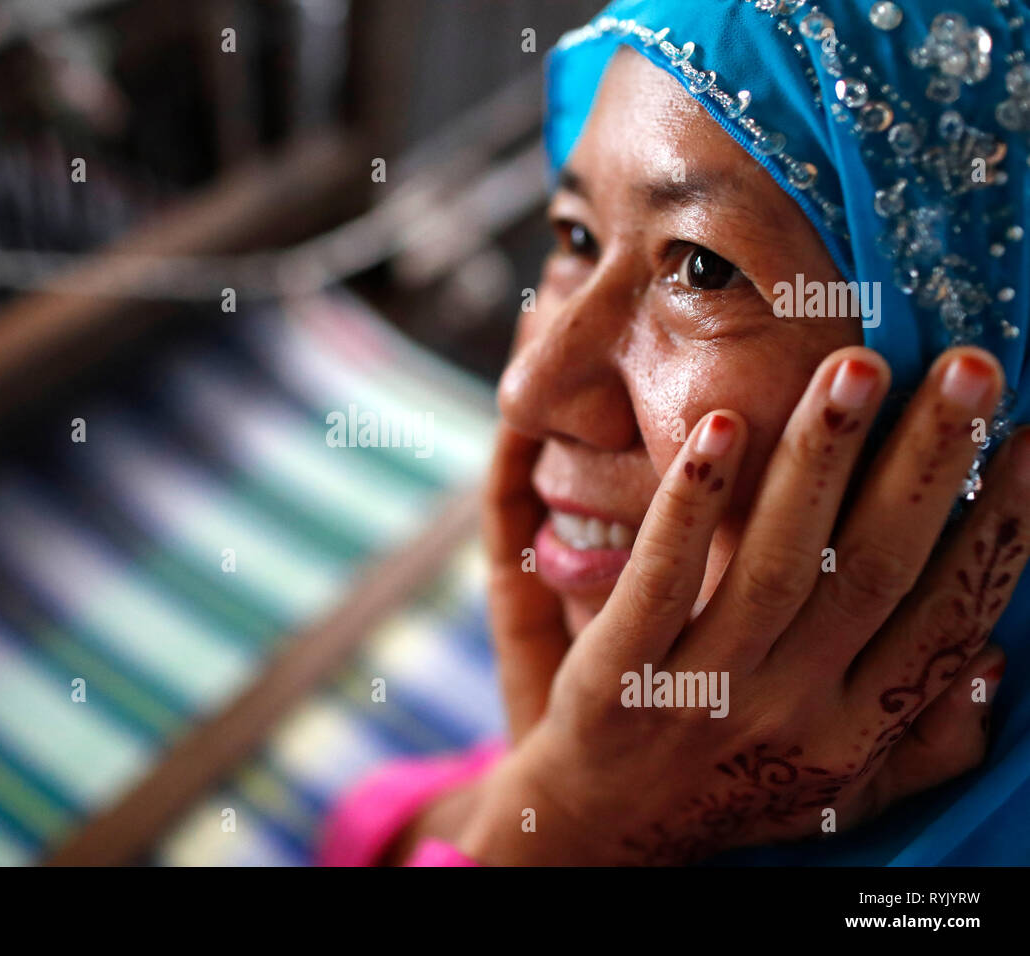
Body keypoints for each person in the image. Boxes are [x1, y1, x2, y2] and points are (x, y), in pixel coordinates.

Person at [319, 0, 1030, 865]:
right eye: (575, 235)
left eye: (704, 268)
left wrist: (564, 819)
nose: (528, 389)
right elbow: (367, 826)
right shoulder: (646, 737)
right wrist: (555, 782)